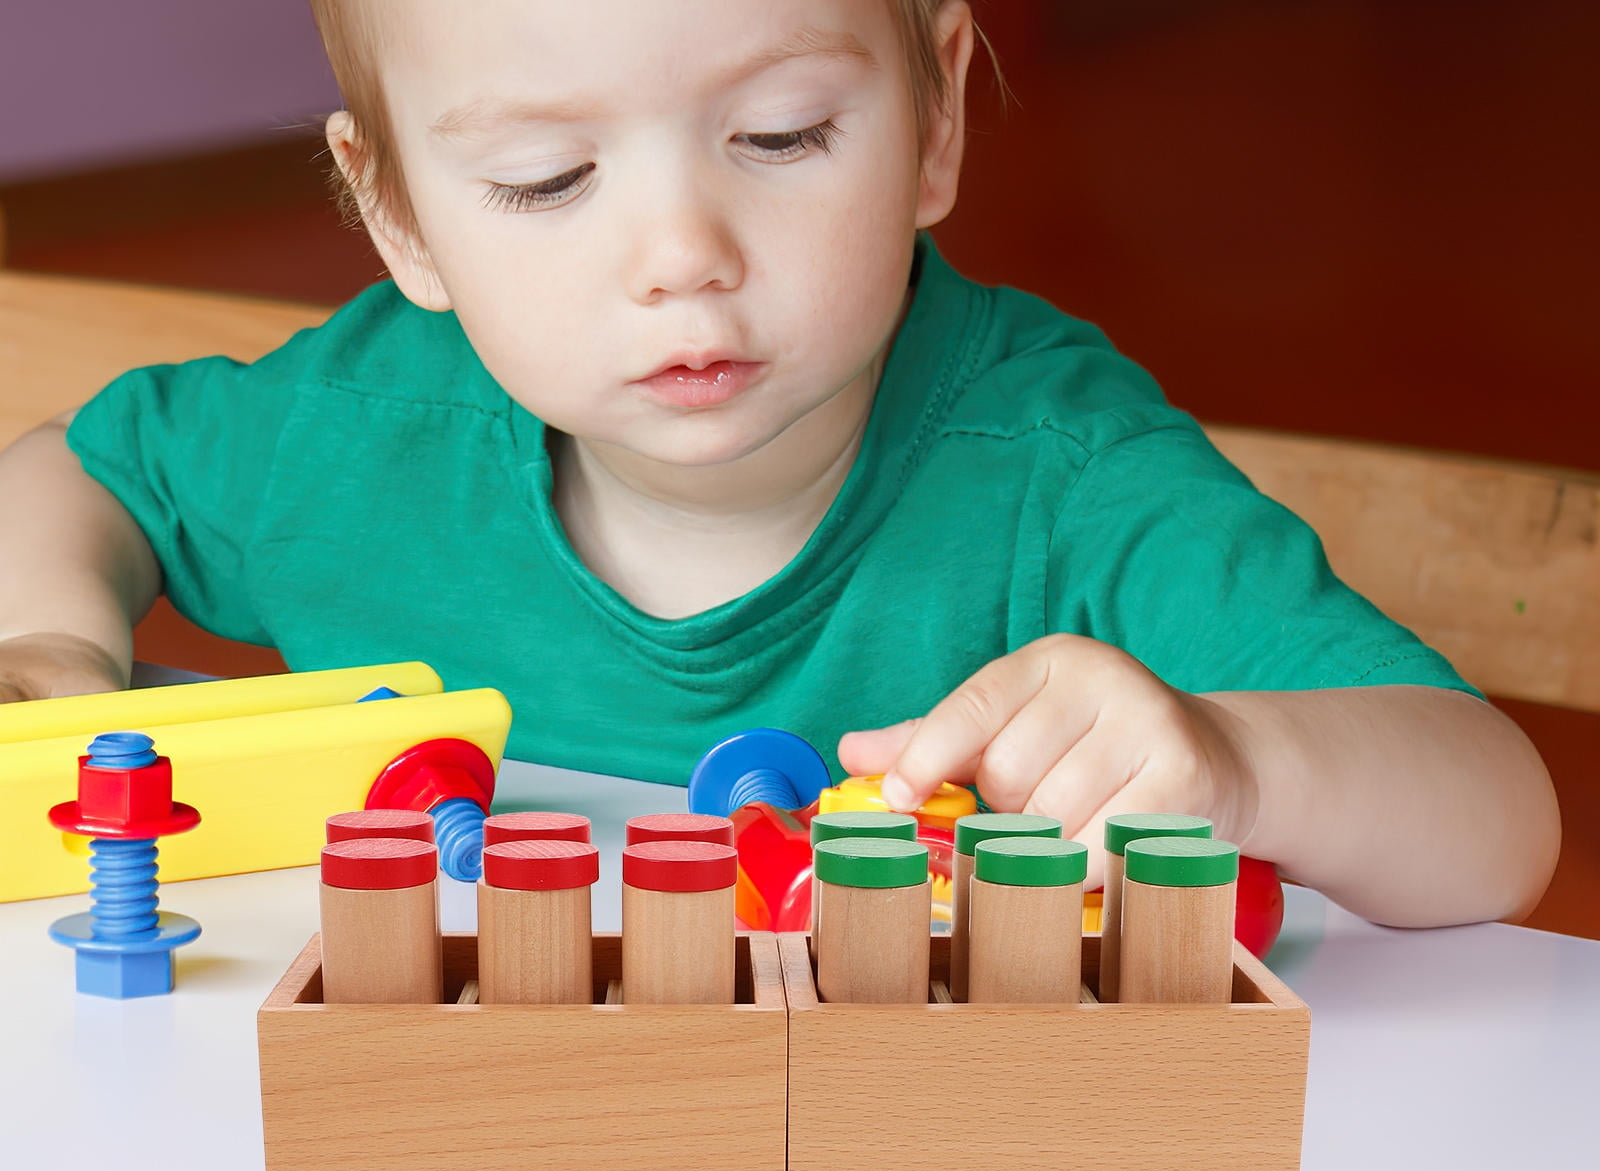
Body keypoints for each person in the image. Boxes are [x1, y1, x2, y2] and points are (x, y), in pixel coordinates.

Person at [0, 0, 1559, 927]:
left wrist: (1238, 763)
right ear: (400, 213)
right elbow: (74, 472)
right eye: (548, 180)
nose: (683, 256)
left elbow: (1499, 819)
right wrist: (54, 642)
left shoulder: (1056, 469)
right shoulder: (352, 429)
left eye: (785, 136)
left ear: (939, 110)